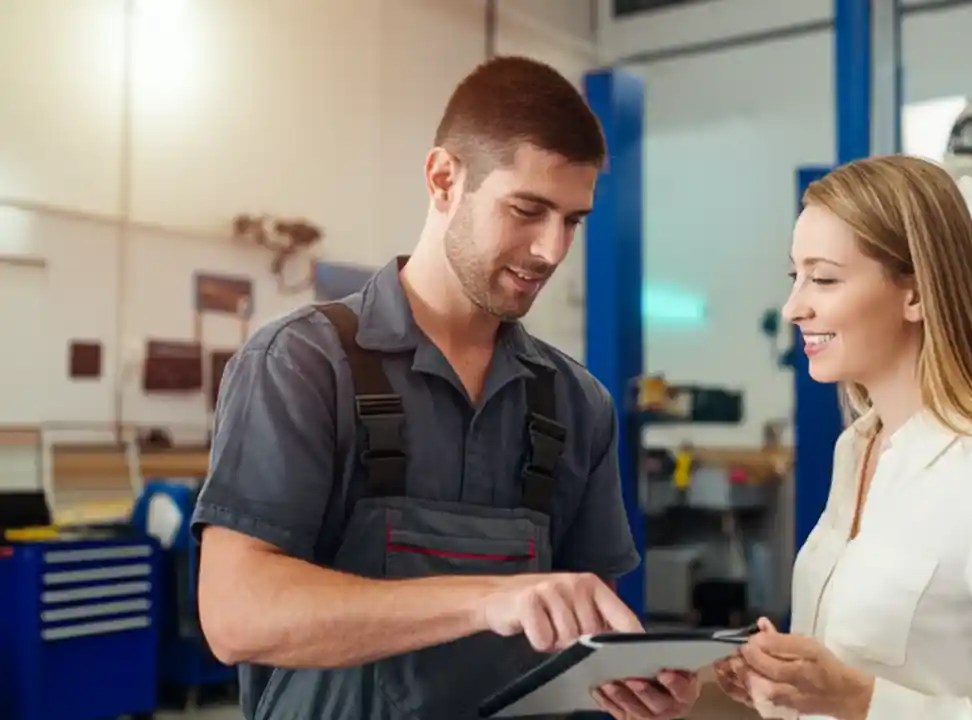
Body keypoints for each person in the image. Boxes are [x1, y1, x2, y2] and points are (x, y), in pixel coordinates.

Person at [192, 56, 699, 720]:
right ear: (443, 179)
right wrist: (488, 599)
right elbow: (236, 615)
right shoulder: (303, 364)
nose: (551, 249)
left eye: (572, 220)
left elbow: (584, 632)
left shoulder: (577, 405)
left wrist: (627, 678)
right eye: (527, 210)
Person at [713, 155, 972, 719]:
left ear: (917, 294)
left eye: (823, 278)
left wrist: (858, 699)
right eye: (794, 277)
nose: (793, 307)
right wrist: (786, 692)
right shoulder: (857, 450)